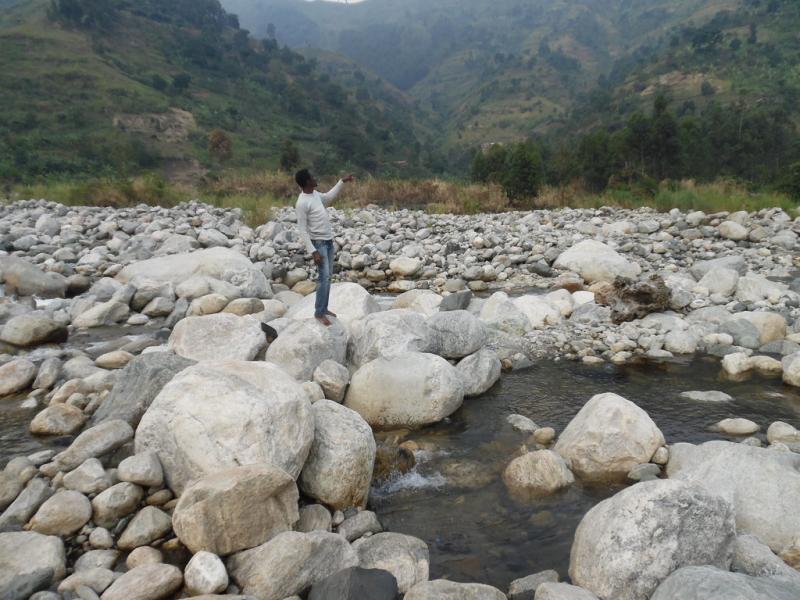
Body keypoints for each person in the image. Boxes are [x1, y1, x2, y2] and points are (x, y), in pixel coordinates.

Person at [295, 168, 354, 326]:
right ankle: (319, 312)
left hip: (328, 242)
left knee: (328, 277)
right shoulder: (302, 203)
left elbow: (328, 198)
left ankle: (324, 308)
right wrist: (313, 251)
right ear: (307, 182)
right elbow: (302, 229)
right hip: (319, 244)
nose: (315, 178)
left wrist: (342, 181)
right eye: (312, 177)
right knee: (323, 278)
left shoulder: (315, 195)